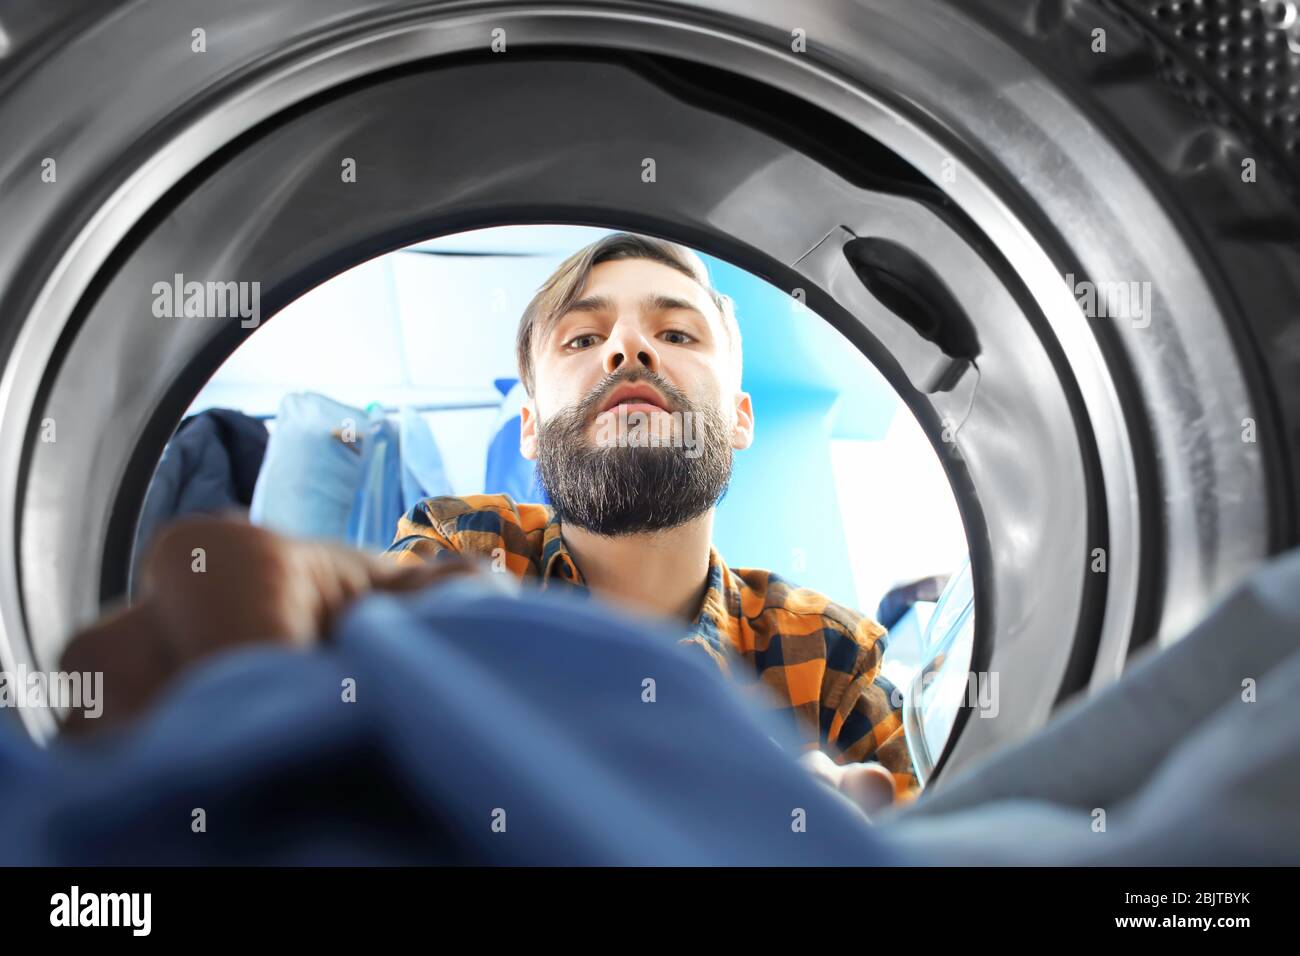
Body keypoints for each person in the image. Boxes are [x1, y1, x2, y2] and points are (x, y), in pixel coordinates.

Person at [385, 232, 917, 805]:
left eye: (676, 334)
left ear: (740, 419)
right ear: (530, 428)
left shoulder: (833, 658)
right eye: (584, 337)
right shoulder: (461, 548)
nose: (629, 347)